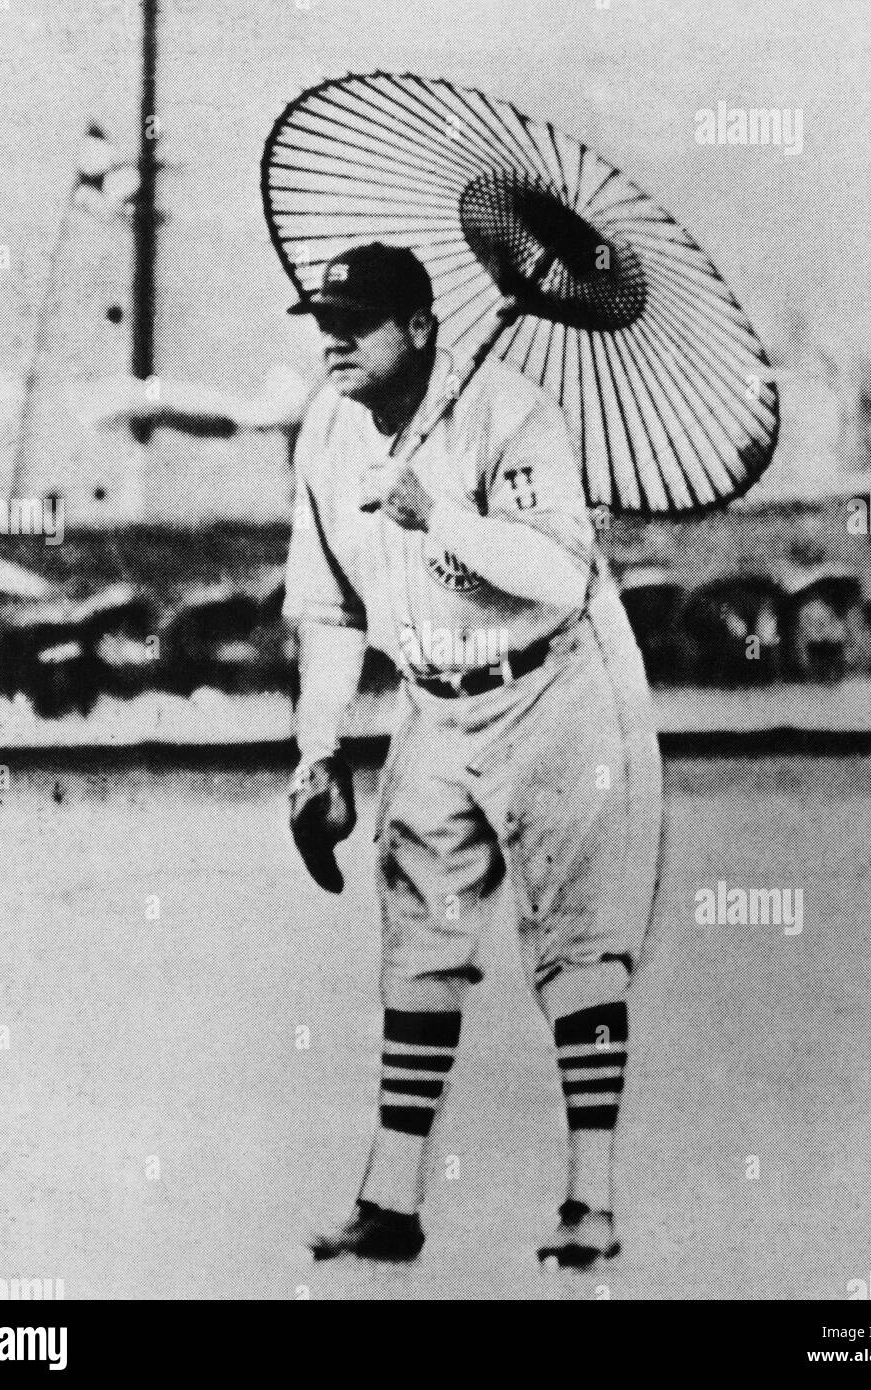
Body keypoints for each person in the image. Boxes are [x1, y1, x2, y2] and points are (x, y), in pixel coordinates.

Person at [284, 242, 663, 1268]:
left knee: (580, 948)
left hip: (557, 690)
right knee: (418, 940)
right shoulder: (326, 433)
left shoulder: (510, 412)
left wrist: (436, 511)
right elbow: (325, 610)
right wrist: (317, 750)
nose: (331, 339)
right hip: (434, 702)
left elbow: (559, 569)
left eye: (354, 321)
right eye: (323, 317)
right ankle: (392, 1202)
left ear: (417, 329)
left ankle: (588, 1202)